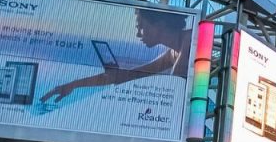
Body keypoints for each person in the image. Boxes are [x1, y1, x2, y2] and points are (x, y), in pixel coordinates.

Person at [41, 8, 193, 103]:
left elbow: (175, 88)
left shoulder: (190, 39)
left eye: (141, 27)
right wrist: (73, 85)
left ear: (160, 24)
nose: (138, 34)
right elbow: (126, 76)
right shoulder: (172, 53)